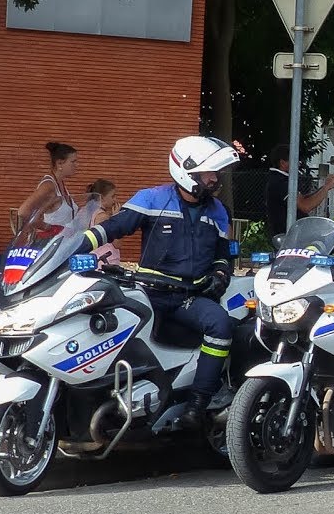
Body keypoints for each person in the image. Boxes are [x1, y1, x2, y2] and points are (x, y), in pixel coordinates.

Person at [77, 136, 240, 429]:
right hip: (148, 294)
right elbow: (111, 228)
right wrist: (69, 249)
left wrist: (220, 275)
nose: (215, 179)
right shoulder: (151, 199)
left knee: (220, 324)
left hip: (188, 298)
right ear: (186, 171)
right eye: (208, 173)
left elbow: (224, 254)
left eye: (216, 173)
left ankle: (198, 404)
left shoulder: (218, 211)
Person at [264, 143, 334, 238]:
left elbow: (303, 199)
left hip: (293, 235)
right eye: (294, 160)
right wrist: (326, 187)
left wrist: (325, 186)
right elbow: (305, 206)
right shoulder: (280, 182)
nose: (299, 163)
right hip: (288, 237)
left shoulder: (281, 179)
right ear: (283, 163)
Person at [19, 141, 79, 238]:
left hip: (64, 243)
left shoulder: (60, 184)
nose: (77, 165)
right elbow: (23, 211)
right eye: (73, 161)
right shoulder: (48, 185)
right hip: (51, 244)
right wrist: (49, 228)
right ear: (60, 163)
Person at [85, 179, 121, 267]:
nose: (115, 199)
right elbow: (117, 243)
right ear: (102, 198)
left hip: (99, 260)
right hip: (106, 262)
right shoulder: (103, 217)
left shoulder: (91, 213)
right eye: (112, 196)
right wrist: (116, 218)